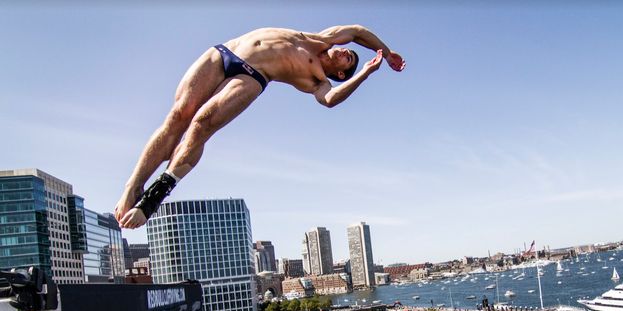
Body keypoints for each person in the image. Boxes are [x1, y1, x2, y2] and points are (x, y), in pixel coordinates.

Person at [115, 25, 405, 228]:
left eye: (349, 59)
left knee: (201, 124)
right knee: (178, 116)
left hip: (253, 77)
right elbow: (357, 30)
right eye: (349, 51)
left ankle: (155, 195)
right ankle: (133, 186)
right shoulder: (323, 38)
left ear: (340, 71)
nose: (346, 51)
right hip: (225, 52)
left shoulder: (318, 79)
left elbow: (329, 99)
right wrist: (387, 52)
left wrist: (366, 72)